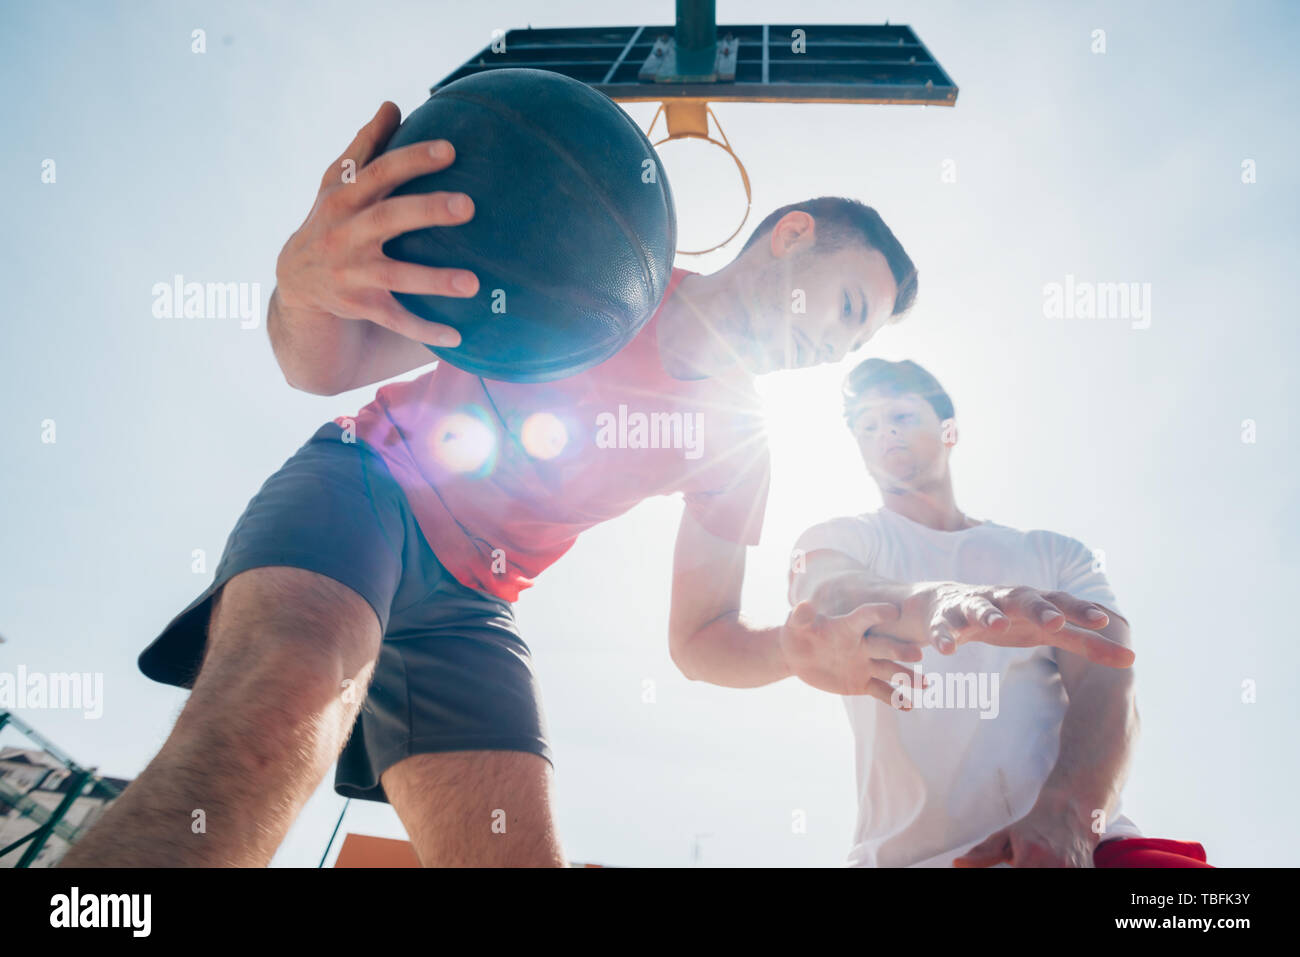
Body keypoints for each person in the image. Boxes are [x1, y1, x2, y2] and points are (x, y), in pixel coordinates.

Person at [60, 103, 1128, 868]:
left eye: (857, 338)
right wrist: (303, 282)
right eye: (845, 310)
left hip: (474, 604)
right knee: (285, 695)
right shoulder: (585, 269)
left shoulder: (736, 441)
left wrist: (795, 653)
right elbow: (322, 363)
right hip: (366, 489)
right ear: (789, 236)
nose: (832, 347)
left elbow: (702, 640)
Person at [786, 357, 1211, 868]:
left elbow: (1109, 670)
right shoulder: (840, 539)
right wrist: (934, 601)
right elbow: (828, 595)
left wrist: (1070, 813)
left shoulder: (1054, 554)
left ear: (950, 431)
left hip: (1079, 848)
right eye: (868, 425)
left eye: (901, 416)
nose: (885, 433)